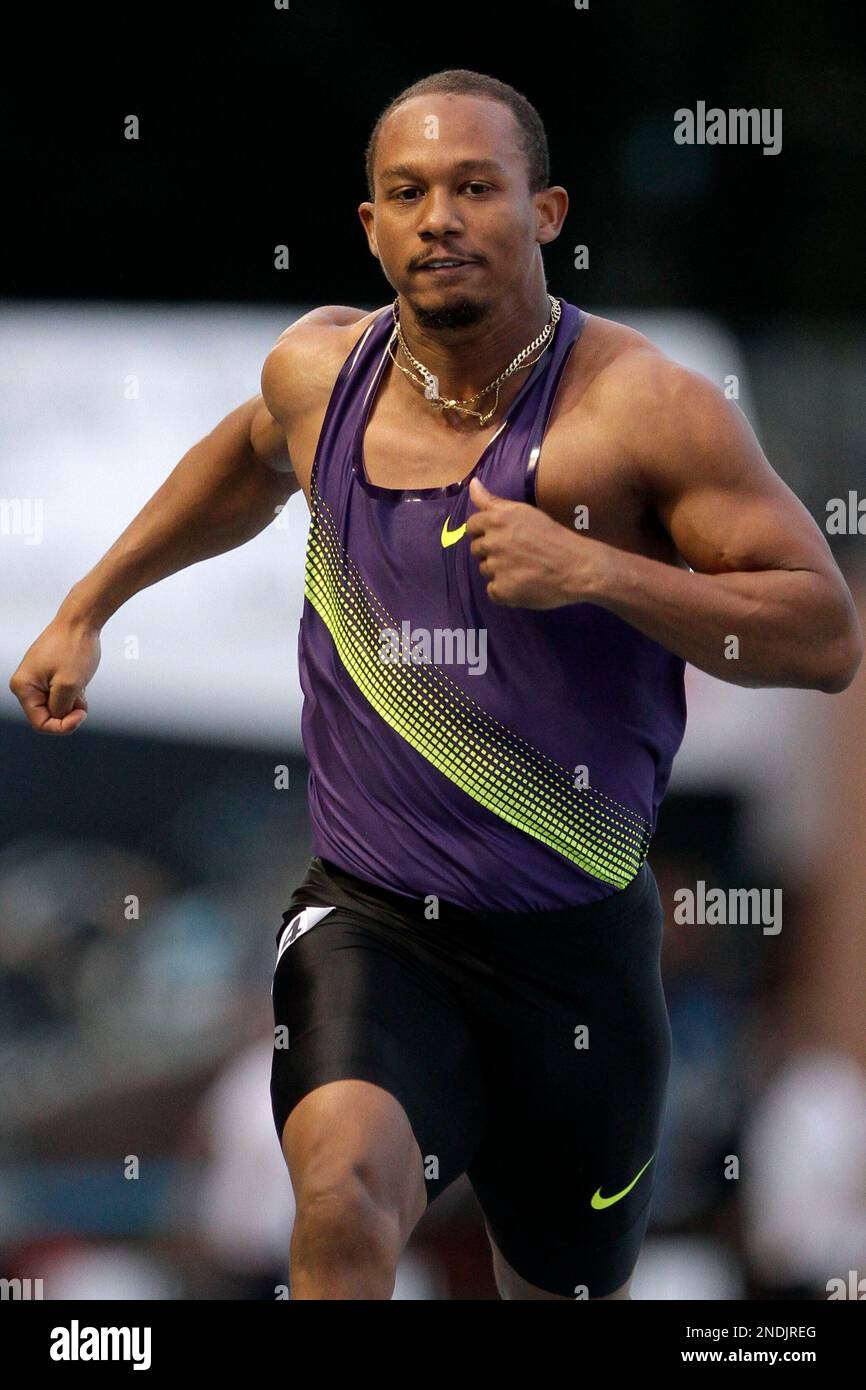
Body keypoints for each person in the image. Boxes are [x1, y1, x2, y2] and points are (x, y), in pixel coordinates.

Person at [9, 69, 862, 1301]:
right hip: (374, 922)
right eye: (406, 193)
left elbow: (820, 635)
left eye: (475, 187)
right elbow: (241, 465)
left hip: (576, 950)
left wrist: (598, 571)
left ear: (548, 211)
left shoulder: (642, 410)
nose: (439, 218)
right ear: (369, 226)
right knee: (344, 1199)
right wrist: (89, 608)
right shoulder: (318, 375)